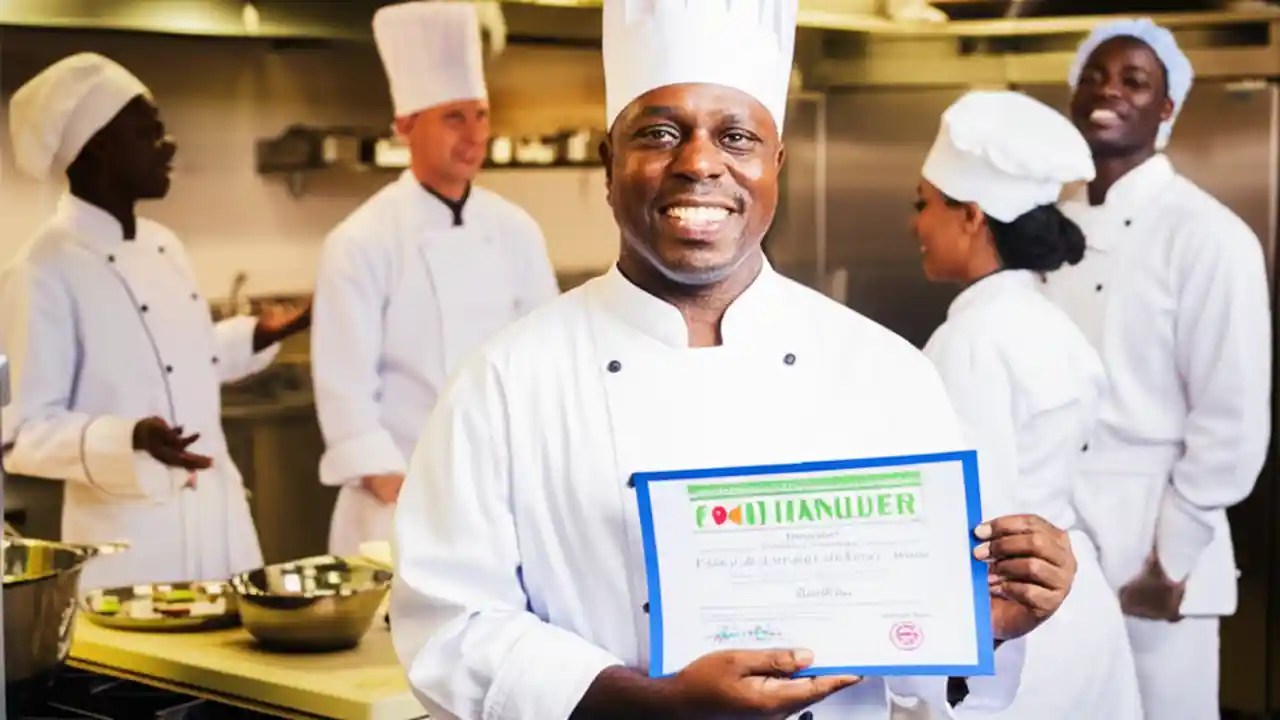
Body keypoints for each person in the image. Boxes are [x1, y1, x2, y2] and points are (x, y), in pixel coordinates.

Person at [390, 2, 1079, 718]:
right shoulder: (506, 383)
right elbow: (452, 628)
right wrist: (653, 706)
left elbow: (925, 667)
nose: (698, 163)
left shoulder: (883, 373)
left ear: (776, 165)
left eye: (737, 136)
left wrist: (985, 623)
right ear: (609, 163)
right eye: (659, 133)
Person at [0, 53, 309, 589]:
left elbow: (183, 362)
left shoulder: (165, 246)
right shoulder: (42, 269)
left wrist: (259, 334)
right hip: (134, 549)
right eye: (149, 134)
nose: (168, 146)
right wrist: (128, 438)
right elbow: (22, 435)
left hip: (220, 529)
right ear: (98, 146)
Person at [1041, 19, 1272, 719]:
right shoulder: (1049, 225)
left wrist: (1171, 557)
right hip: (1058, 538)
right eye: (1093, 76)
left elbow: (1231, 419)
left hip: (1156, 549)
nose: (1107, 90)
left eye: (1134, 81)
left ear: (1167, 108)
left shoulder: (1207, 235)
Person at [914, 90, 1142, 718]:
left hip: (1018, 620)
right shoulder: (1047, 320)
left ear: (971, 216)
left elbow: (972, 517)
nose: (915, 226)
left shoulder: (971, 340)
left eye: (923, 204)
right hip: (1078, 605)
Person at [311, 0, 558, 557]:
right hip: (397, 509)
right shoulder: (362, 240)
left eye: (481, 115)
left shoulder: (516, 229)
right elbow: (346, 391)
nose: (474, 135)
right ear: (405, 126)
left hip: (501, 498)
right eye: (453, 117)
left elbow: (544, 359)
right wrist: (399, 489)